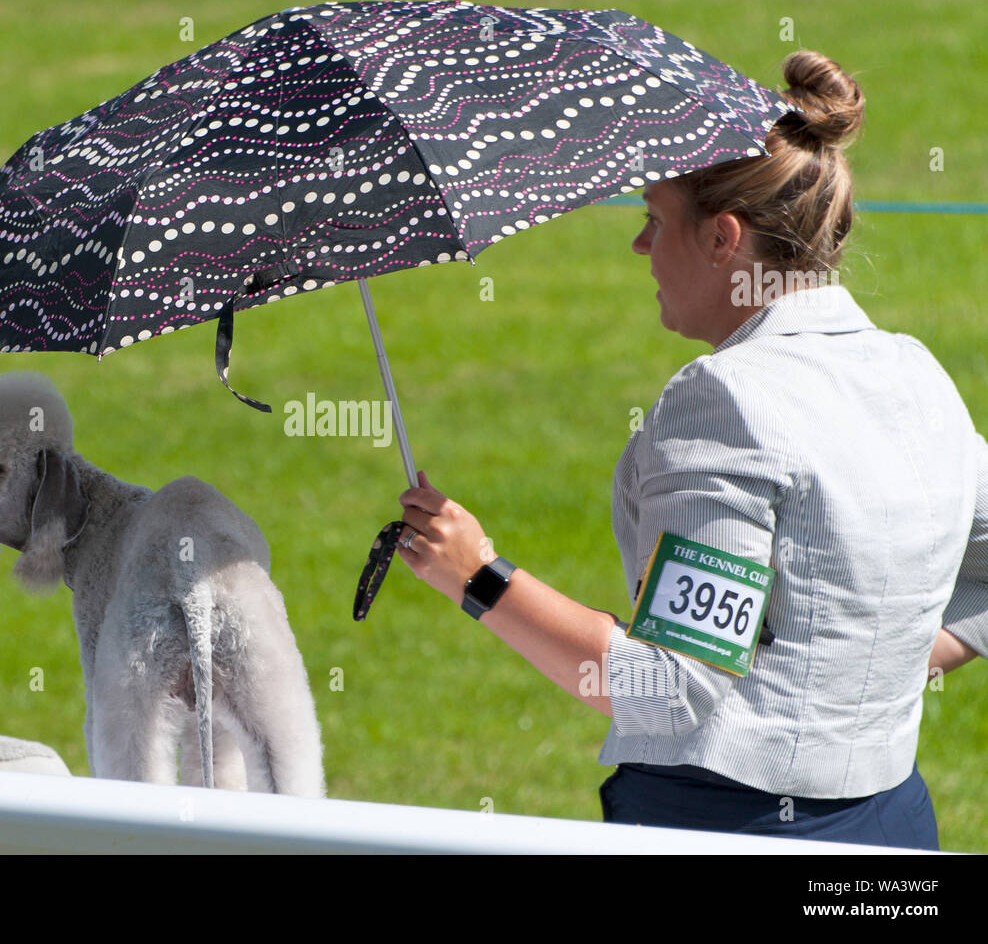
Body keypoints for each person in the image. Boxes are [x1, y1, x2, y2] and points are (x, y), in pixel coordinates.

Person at [392, 50, 987, 850]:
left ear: (722, 239)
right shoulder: (916, 371)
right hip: (896, 829)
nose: (641, 247)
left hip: (728, 829)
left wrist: (476, 576)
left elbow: (667, 689)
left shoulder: (727, 399)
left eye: (654, 218)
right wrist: (874, 663)